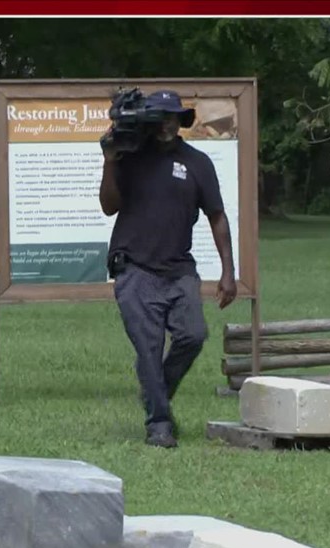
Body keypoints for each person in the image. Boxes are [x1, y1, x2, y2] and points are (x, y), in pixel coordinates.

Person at [98, 89, 237, 449]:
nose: (166, 125)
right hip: (135, 268)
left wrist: (228, 271)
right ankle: (159, 423)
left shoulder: (198, 163)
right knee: (148, 347)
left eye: (172, 118)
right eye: (159, 118)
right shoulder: (129, 157)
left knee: (193, 335)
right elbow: (109, 206)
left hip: (178, 270)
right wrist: (110, 161)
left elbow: (217, 216)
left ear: (181, 122)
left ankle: (153, 389)